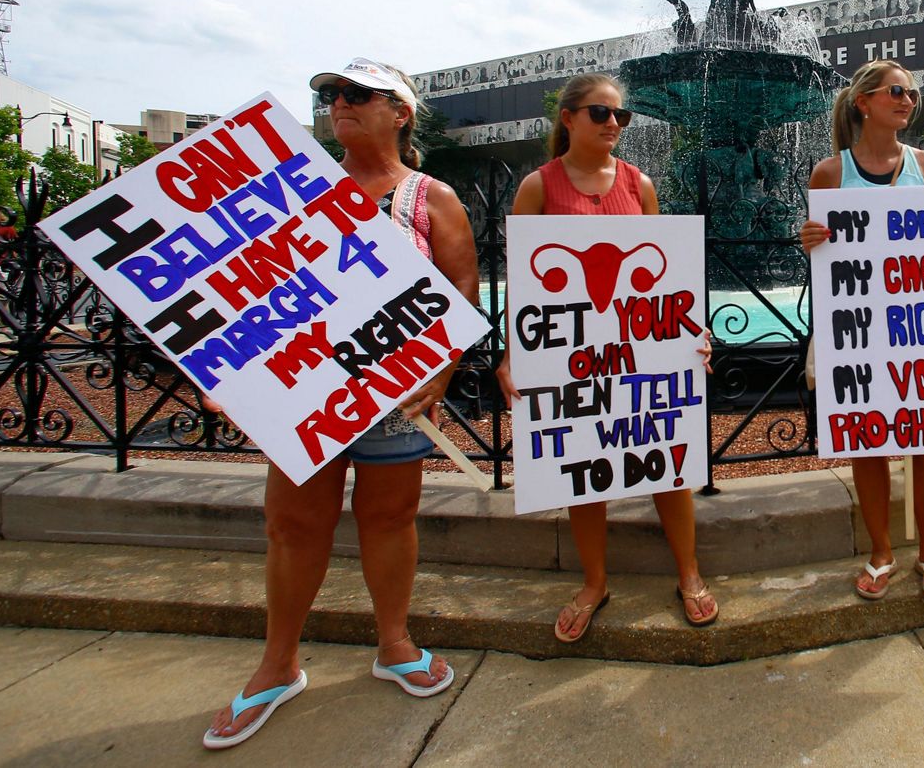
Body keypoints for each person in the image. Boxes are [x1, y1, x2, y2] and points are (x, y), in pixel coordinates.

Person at [203, 59, 479, 749]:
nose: (340, 104)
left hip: (391, 394)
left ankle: (394, 644)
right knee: (294, 524)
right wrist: (223, 372)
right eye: (331, 95)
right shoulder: (287, 191)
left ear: (401, 112)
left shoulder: (430, 198)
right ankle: (278, 664)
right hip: (301, 392)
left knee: (390, 517)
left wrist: (440, 373)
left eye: (359, 94)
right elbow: (238, 289)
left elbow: (461, 288)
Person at [496, 73, 718, 641]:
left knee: (665, 455)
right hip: (572, 355)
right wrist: (511, 353)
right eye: (600, 113)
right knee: (582, 466)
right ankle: (594, 582)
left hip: (640, 347)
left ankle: (689, 572)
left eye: (622, 115)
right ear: (567, 118)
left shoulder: (639, 184)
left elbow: (663, 275)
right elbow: (522, 281)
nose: (614, 124)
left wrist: (692, 335)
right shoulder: (537, 187)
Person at [798, 60, 924, 601]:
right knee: (867, 440)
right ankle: (882, 551)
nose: (908, 99)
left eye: (913, 92)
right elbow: (824, 254)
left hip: (921, 327)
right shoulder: (830, 173)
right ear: (863, 102)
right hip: (861, 325)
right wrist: (811, 239)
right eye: (896, 91)